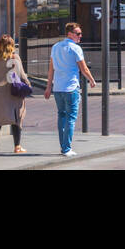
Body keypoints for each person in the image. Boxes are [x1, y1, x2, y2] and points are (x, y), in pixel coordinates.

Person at [44, 22, 96, 157]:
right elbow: (83, 68)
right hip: (71, 88)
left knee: (61, 115)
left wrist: (49, 87)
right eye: (78, 34)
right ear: (70, 34)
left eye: (80, 33)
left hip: (58, 88)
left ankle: (64, 146)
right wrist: (91, 79)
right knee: (71, 118)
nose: (80, 36)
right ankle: (66, 148)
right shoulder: (76, 48)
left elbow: (51, 68)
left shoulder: (55, 47)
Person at [0, 34, 29, 155]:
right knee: (16, 117)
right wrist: (28, 85)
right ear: (11, 46)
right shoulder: (14, 58)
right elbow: (22, 76)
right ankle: (17, 146)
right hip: (10, 95)